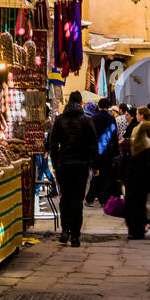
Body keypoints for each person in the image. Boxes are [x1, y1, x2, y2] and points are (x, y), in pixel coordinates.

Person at [48, 91, 99, 247]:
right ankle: (75, 236)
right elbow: (93, 145)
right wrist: (94, 165)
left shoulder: (59, 120)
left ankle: (65, 230)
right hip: (81, 165)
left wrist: (56, 163)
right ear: (81, 103)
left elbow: (52, 145)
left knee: (65, 198)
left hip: (64, 164)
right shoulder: (87, 121)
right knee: (77, 200)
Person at [123, 119, 150, 240]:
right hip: (143, 181)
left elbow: (124, 161)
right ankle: (138, 231)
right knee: (140, 205)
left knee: (131, 204)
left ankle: (131, 230)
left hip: (130, 179)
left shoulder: (132, 143)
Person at [86, 97, 120, 207]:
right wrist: (116, 151)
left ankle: (91, 198)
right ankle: (103, 198)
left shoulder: (92, 118)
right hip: (107, 152)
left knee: (96, 174)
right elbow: (114, 136)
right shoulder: (111, 119)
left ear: (99, 106)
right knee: (105, 176)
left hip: (94, 151)